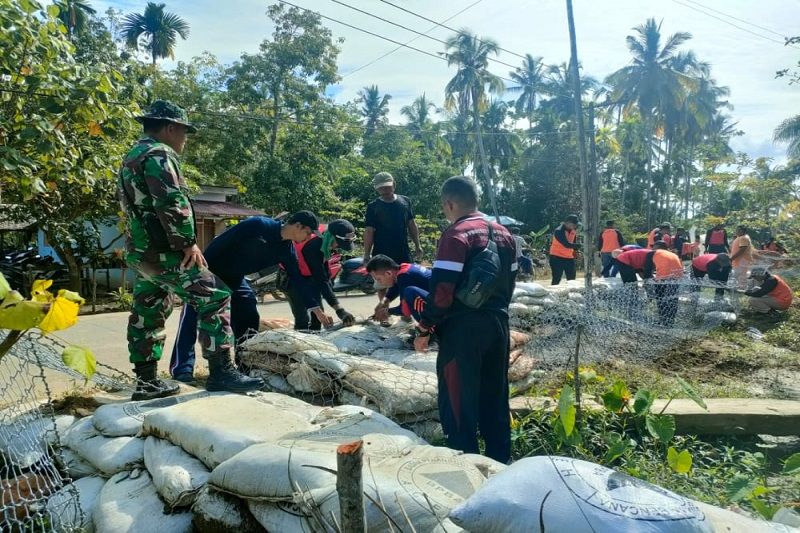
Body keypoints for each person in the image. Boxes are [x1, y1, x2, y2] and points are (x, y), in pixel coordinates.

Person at [118, 100, 263, 400]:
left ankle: (146, 382)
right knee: (215, 296)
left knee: (149, 308)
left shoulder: (131, 157)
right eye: (184, 132)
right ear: (170, 128)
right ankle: (221, 372)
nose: (185, 139)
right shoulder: (160, 154)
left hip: (141, 252)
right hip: (166, 251)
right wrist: (187, 242)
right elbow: (170, 201)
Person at [413, 176, 516, 464]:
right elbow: (510, 282)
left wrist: (424, 327)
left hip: (462, 328)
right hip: (499, 325)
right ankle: (499, 466)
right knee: (494, 397)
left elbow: (443, 289)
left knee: (458, 402)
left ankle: (466, 468)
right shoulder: (505, 234)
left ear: (449, 203)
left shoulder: (456, 234)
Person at [169, 212, 335, 381]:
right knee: (192, 314)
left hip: (236, 278)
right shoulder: (258, 225)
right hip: (211, 271)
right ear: (298, 226)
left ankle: (243, 367)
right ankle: (182, 368)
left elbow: (298, 280)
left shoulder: (287, 250)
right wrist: (201, 274)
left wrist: (316, 310)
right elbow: (219, 243)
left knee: (248, 312)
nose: (309, 237)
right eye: (308, 232)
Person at [286, 219, 357, 331]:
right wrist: (339, 310)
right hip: (292, 278)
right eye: (338, 244)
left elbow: (324, 276)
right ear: (332, 237)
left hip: (310, 275)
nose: (337, 248)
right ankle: (301, 341)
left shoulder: (325, 240)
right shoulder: (313, 247)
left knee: (317, 320)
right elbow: (321, 280)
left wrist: (335, 308)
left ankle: (315, 339)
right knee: (303, 320)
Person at [362, 172, 422, 265]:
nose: (384, 190)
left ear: (394, 185)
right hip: (381, 254)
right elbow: (369, 231)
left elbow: (411, 224)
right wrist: (366, 254)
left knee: (405, 277)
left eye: (387, 187)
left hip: (403, 252)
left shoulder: (405, 201)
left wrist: (417, 245)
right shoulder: (373, 207)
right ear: (376, 188)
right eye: (380, 188)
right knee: (382, 278)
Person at [367, 255, 432, 323]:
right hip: (439, 299)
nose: (379, 282)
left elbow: (405, 311)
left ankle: (429, 329)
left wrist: (386, 312)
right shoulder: (404, 269)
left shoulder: (405, 276)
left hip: (440, 307)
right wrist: (384, 301)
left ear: (388, 273)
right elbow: (396, 287)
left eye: (379, 279)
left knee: (410, 297)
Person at [642, 242, 684, 326]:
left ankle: (663, 320)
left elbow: (647, 269)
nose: (652, 248)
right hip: (677, 278)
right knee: (672, 299)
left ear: (657, 247)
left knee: (661, 299)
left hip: (663, 278)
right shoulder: (672, 254)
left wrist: (646, 282)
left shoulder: (653, 253)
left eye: (653, 246)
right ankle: (671, 321)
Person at [549, 214, 580, 285]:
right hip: (557, 257)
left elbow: (573, 241)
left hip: (569, 257)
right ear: (567, 223)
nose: (575, 226)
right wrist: (581, 246)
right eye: (574, 224)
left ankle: (572, 295)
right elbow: (566, 244)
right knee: (556, 279)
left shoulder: (573, 230)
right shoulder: (558, 231)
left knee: (572, 279)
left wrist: (575, 251)